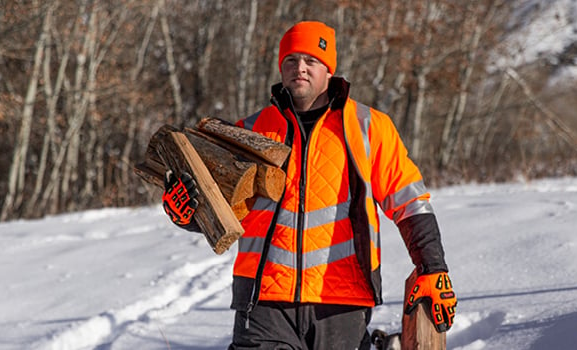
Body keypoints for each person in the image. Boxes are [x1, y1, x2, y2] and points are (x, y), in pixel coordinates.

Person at [162, 20, 456, 349]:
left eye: (310, 60)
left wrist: (432, 267)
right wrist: (186, 213)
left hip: (341, 301)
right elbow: (219, 211)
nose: (299, 68)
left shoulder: (369, 128)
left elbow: (410, 203)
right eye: (290, 60)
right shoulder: (249, 132)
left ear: (328, 69)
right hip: (263, 300)